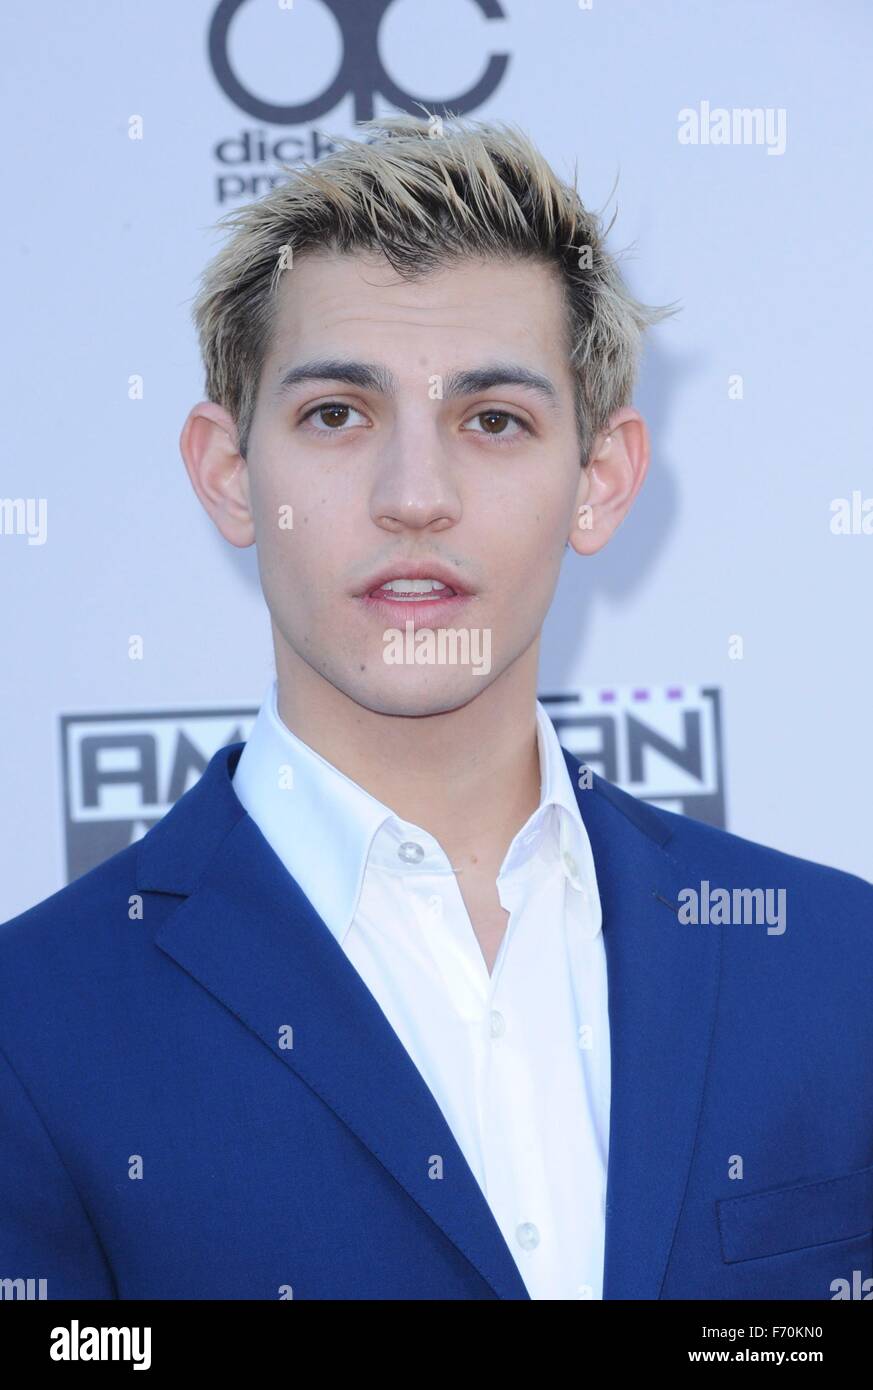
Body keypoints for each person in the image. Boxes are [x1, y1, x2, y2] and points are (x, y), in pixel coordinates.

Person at [1, 114, 871, 1302]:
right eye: (337, 415)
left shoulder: (832, 963)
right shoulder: (35, 1031)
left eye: (494, 420)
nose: (416, 495)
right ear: (226, 471)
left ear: (599, 480)